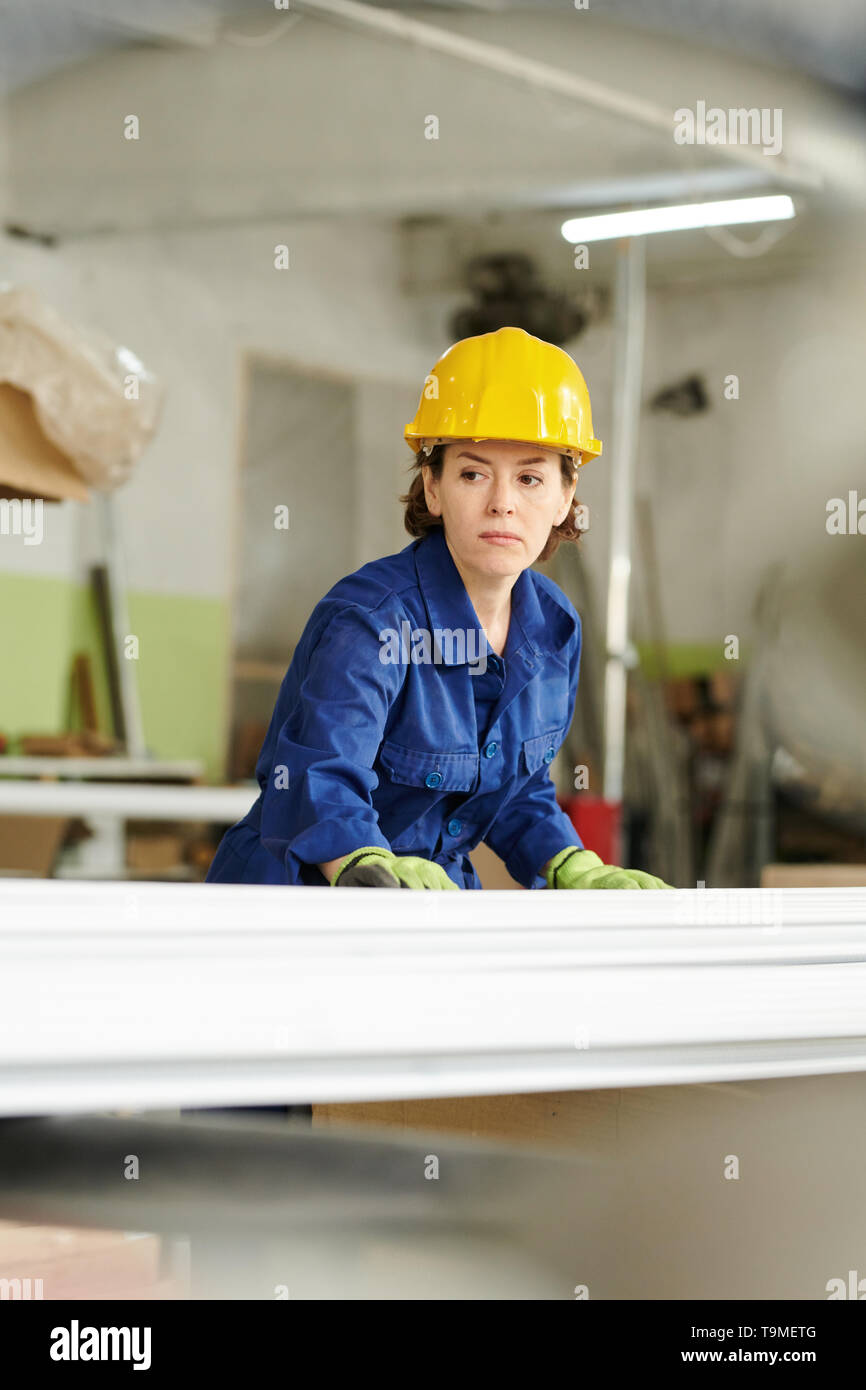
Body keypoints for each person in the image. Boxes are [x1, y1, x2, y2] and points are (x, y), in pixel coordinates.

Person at [207, 326, 673, 892]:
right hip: (304, 897)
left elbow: (518, 789)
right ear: (432, 487)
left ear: (565, 498)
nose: (502, 503)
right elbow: (315, 776)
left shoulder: (553, 629)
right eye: (473, 473)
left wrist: (570, 865)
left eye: (530, 478)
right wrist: (362, 865)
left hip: (435, 900)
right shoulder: (374, 619)